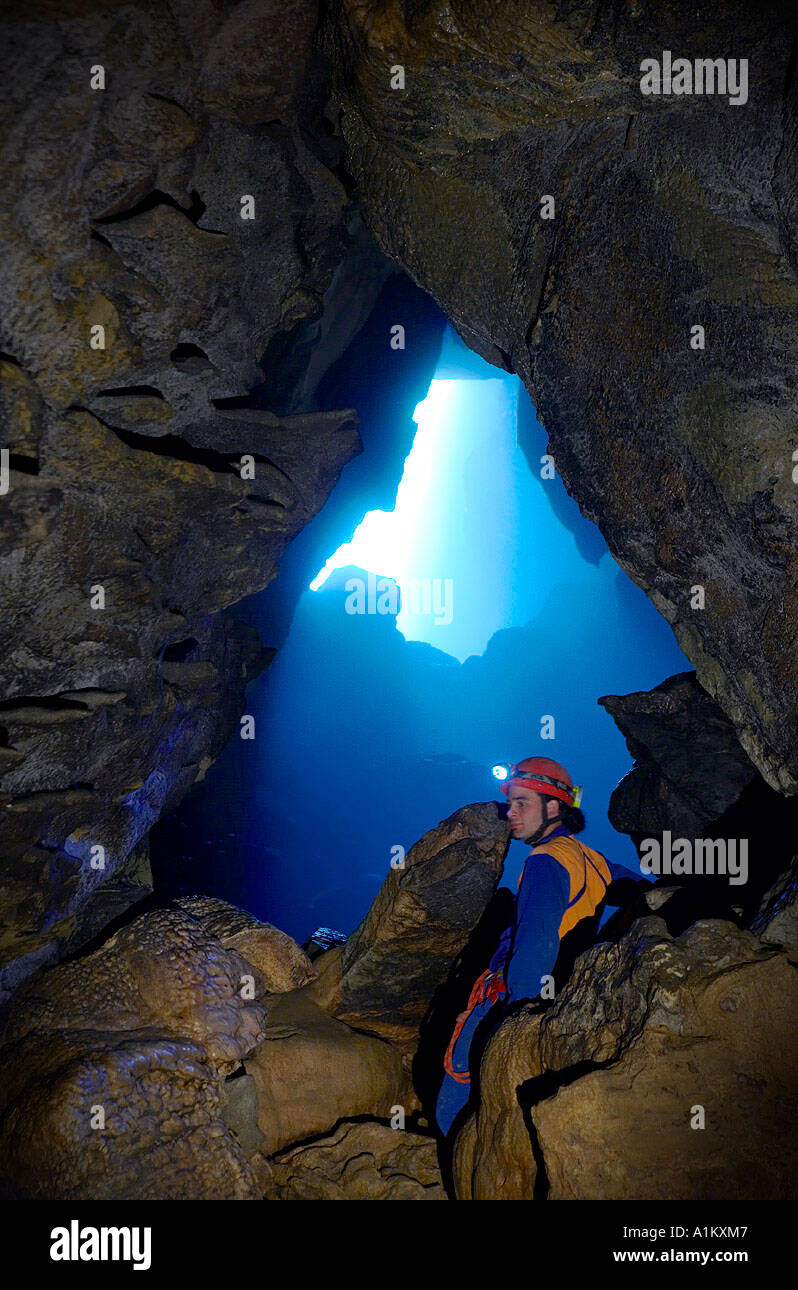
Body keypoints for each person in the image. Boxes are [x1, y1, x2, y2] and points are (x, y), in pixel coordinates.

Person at [435, 755, 648, 1137]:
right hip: (561, 998)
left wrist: (513, 1020)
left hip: (510, 999)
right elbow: (643, 890)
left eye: (522, 803)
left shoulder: (544, 862)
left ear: (553, 807)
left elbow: (536, 947)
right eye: (510, 802)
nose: (510, 812)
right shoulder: (592, 860)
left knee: (452, 1109)